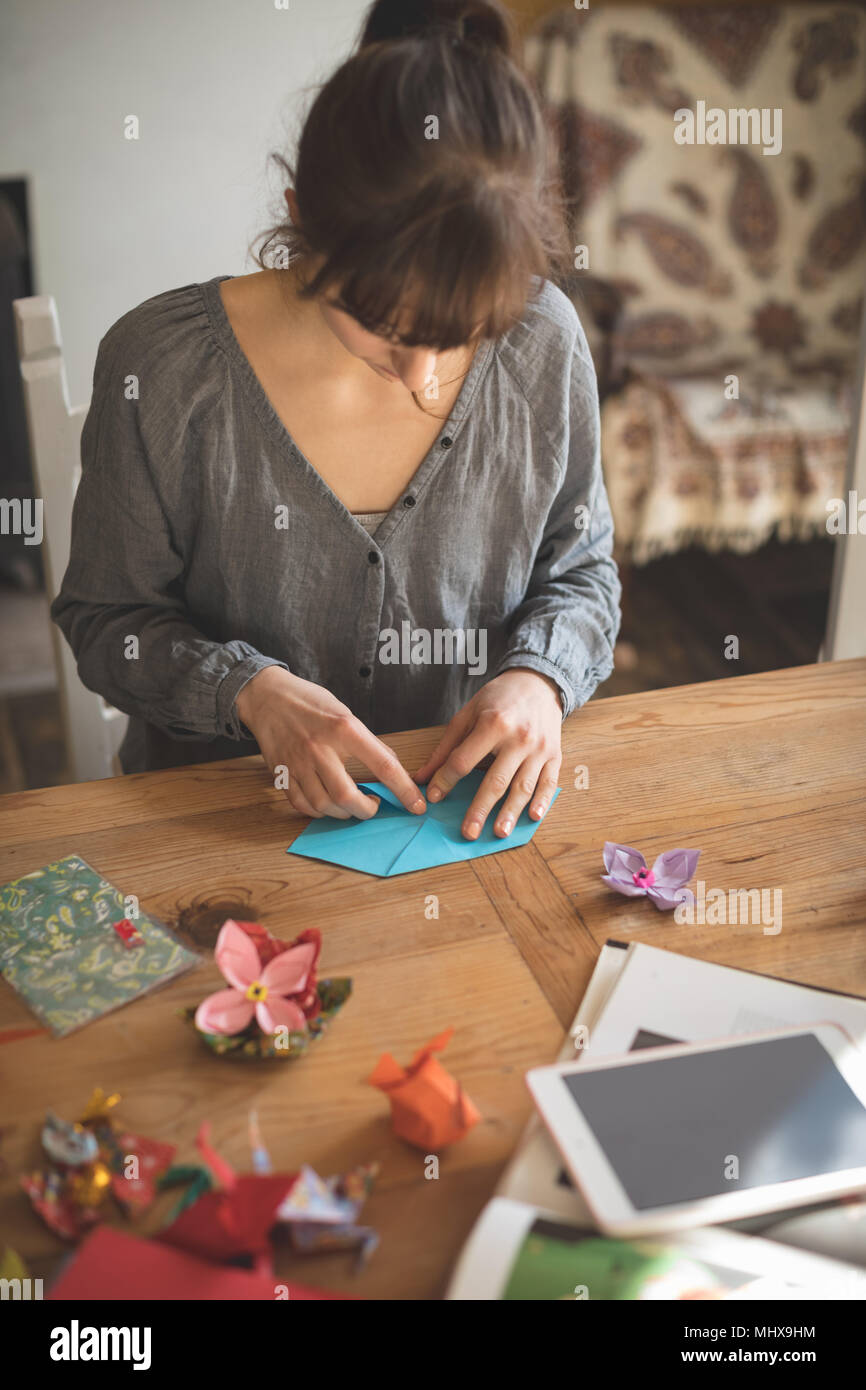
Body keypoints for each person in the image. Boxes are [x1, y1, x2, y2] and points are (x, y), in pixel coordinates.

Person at [52, 0, 621, 841]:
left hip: (461, 828)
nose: (425, 378)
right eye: (385, 330)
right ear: (302, 221)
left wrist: (541, 678)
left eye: (465, 334)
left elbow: (581, 575)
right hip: (219, 830)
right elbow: (107, 621)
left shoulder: (544, 343)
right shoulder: (164, 369)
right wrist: (246, 691)